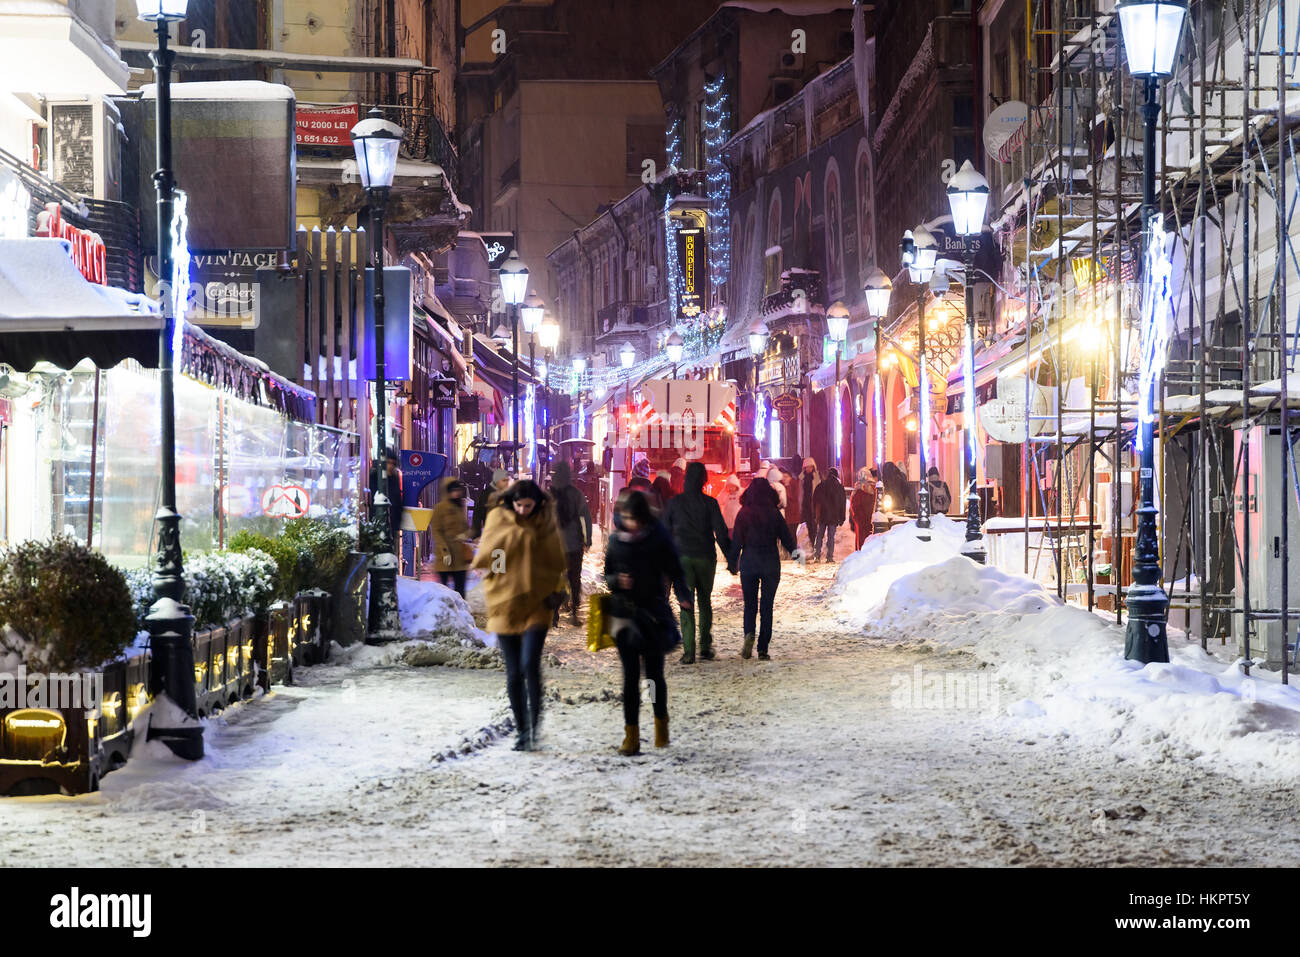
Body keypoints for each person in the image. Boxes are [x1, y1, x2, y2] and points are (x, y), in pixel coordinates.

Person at [470, 480, 566, 751]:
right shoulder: (498, 518)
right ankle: (522, 731)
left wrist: (555, 587)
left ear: (537, 503)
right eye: (519, 505)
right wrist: (498, 570)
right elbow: (492, 553)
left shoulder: (546, 521)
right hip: (506, 604)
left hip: (537, 603)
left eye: (529, 506)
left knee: (530, 665)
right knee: (513, 673)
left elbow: (555, 560)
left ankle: (534, 726)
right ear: (511, 501)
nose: (524, 510)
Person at [605, 489, 691, 755]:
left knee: (653, 677)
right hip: (624, 616)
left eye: (634, 519)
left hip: (652, 614)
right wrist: (617, 581)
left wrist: (684, 595)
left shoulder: (658, 537)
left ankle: (660, 728)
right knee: (630, 678)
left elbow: (675, 569)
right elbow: (607, 575)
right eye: (626, 517)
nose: (630, 523)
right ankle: (631, 736)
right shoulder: (616, 541)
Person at [663, 461, 732, 663]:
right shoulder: (710, 504)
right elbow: (720, 532)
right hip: (705, 558)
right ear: (704, 480)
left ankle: (688, 651)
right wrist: (731, 557)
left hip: (682, 558)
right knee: (704, 602)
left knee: (686, 604)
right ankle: (705, 647)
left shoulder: (674, 504)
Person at [727, 476, 801, 660]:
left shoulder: (743, 513)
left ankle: (749, 635)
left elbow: (736, 541)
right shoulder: (774, 513)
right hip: (770, 563)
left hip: (749, 562)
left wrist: (732, 563)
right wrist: (797, 555)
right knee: (767, 606)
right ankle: (762, 648)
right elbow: (786, 538)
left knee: (750, 605)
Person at [549, 461, 592, 627]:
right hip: (574, 544)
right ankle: (574, 613)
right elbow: (586, 517)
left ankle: (553, 616)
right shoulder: (577, 494)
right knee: (574, 579)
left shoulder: (549, 494)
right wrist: (587, 539)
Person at [429, 477, 471, 596]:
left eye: (458, 490)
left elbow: (465, 527)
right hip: (445, 555)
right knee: (443, 589)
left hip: (459, 554)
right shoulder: (440, 508)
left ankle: (461, 612)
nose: (456, 493)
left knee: (460, 588)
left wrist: (465, 535)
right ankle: (446, 611)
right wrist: (444, 551)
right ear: (447, 491)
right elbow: (437, 531)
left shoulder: (460, 505)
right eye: (453, 490)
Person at [812, 466, 847, 563]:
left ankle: (817, 556)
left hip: (822, 515)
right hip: (834, 516)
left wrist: (815, 515)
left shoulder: (820, 486)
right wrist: (842, 518)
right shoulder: (839, 488)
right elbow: (842, 504)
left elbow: (815, 501)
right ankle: (829, 557)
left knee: (819, 535)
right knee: (831, 537)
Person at [371, 449, 404, 549]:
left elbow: (397, 501)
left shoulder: (394, 478)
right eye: (388, 463)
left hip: (391, 527)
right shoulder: (373, 477)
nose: (391, 466)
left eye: (393, 463)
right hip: (377, 527)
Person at [471, 468, 510, 539]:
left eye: (507, 480)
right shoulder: (488, 494)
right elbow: (478, 514)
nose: (507, 483)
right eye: (504, 480)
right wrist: (477, 535)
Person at [849, 468, 879, 550]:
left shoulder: (857, 490)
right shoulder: (875, 488)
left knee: (862, 539)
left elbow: (854, 506)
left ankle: (862, 553)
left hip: (861, 519)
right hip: (872, 517)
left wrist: (855, 518)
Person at [800, 458, 822, 549]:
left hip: (815, 503)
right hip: (806, 504)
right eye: (807, 467)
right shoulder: (801, 478)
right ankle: (813, 542)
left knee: (815, 524)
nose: (808, 469)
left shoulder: (817, 476)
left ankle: (816, 543)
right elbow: (800, 491)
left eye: (810, 467)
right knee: (809, 524)